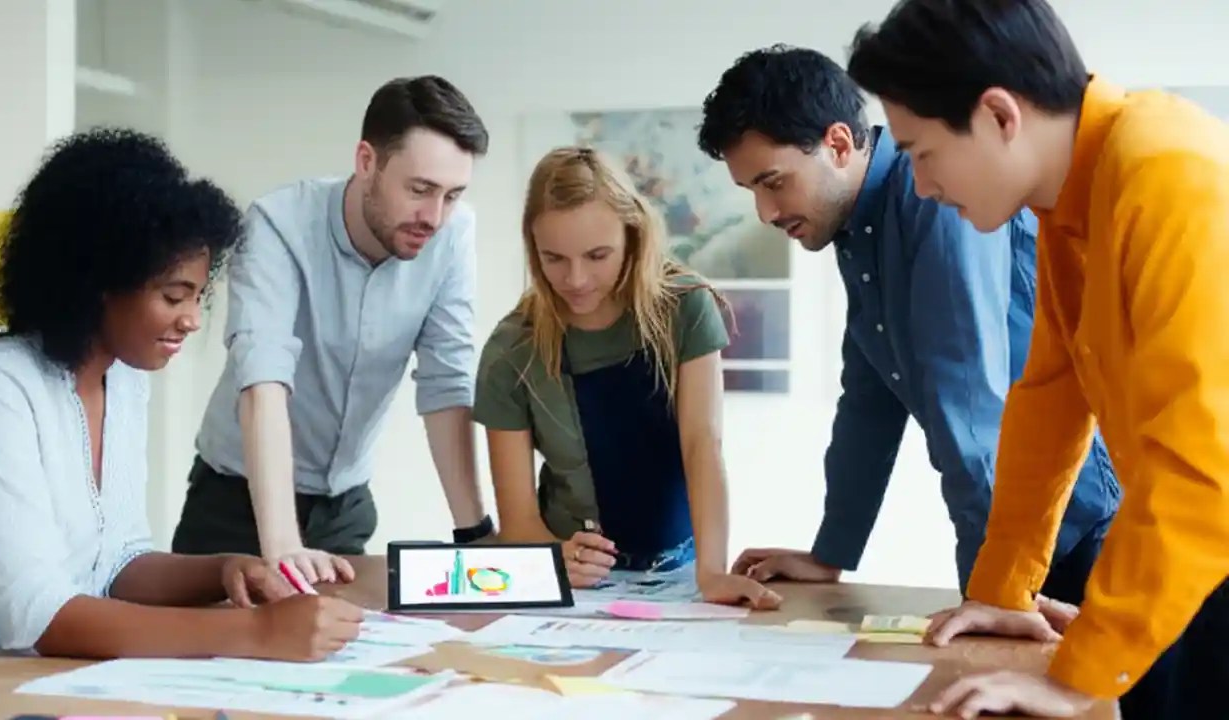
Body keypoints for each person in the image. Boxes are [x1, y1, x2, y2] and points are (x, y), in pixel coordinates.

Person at [846, 1, 1229, 718]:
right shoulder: (1076, 193)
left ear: (998, 115)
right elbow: (1050, 398)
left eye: (922, 153)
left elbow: (1200, 466)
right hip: (1194, 558)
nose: (922, 186)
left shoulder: (1166, 172)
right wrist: (1001, 588)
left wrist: (1074, 677)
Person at [695, 44, 1119, 601]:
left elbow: (972, 412)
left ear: (839, 144)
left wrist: (1001, 588)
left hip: (1081, 533)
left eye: (774, 182)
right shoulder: (857, 230)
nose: (766, 213)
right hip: (1011, 542)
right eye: (752, 191)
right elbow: (868, 400)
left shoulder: (934, 199)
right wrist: (832, 553)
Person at [0, 127, 364, 660]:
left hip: (64, 676)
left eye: (197, 295)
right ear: (97, 281)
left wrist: (225, 570)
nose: (192, 320)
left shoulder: (124, 380)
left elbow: (118, 564)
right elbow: (37, 614)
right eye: (173, 296)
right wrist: (259, 635)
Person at [172, 76, 495, 583]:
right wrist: (281, 546)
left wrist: (474, 534)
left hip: (344, 508)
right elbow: (263, 379)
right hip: (236, 505)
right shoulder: (278, 223)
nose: (434, 217)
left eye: (453, 195)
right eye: (420, 190)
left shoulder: (452, 235)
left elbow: (446, 381)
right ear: (367, 161)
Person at [472, 146, 781, 608]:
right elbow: (518, 523)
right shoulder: (510, 350)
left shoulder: (686, 308)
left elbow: (702, 444)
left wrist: (713, 572)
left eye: (597, 255)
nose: (575, 279)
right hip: (575, 590)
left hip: (682, 576)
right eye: (553, 258)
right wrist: (556, 557)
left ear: (632, 234)